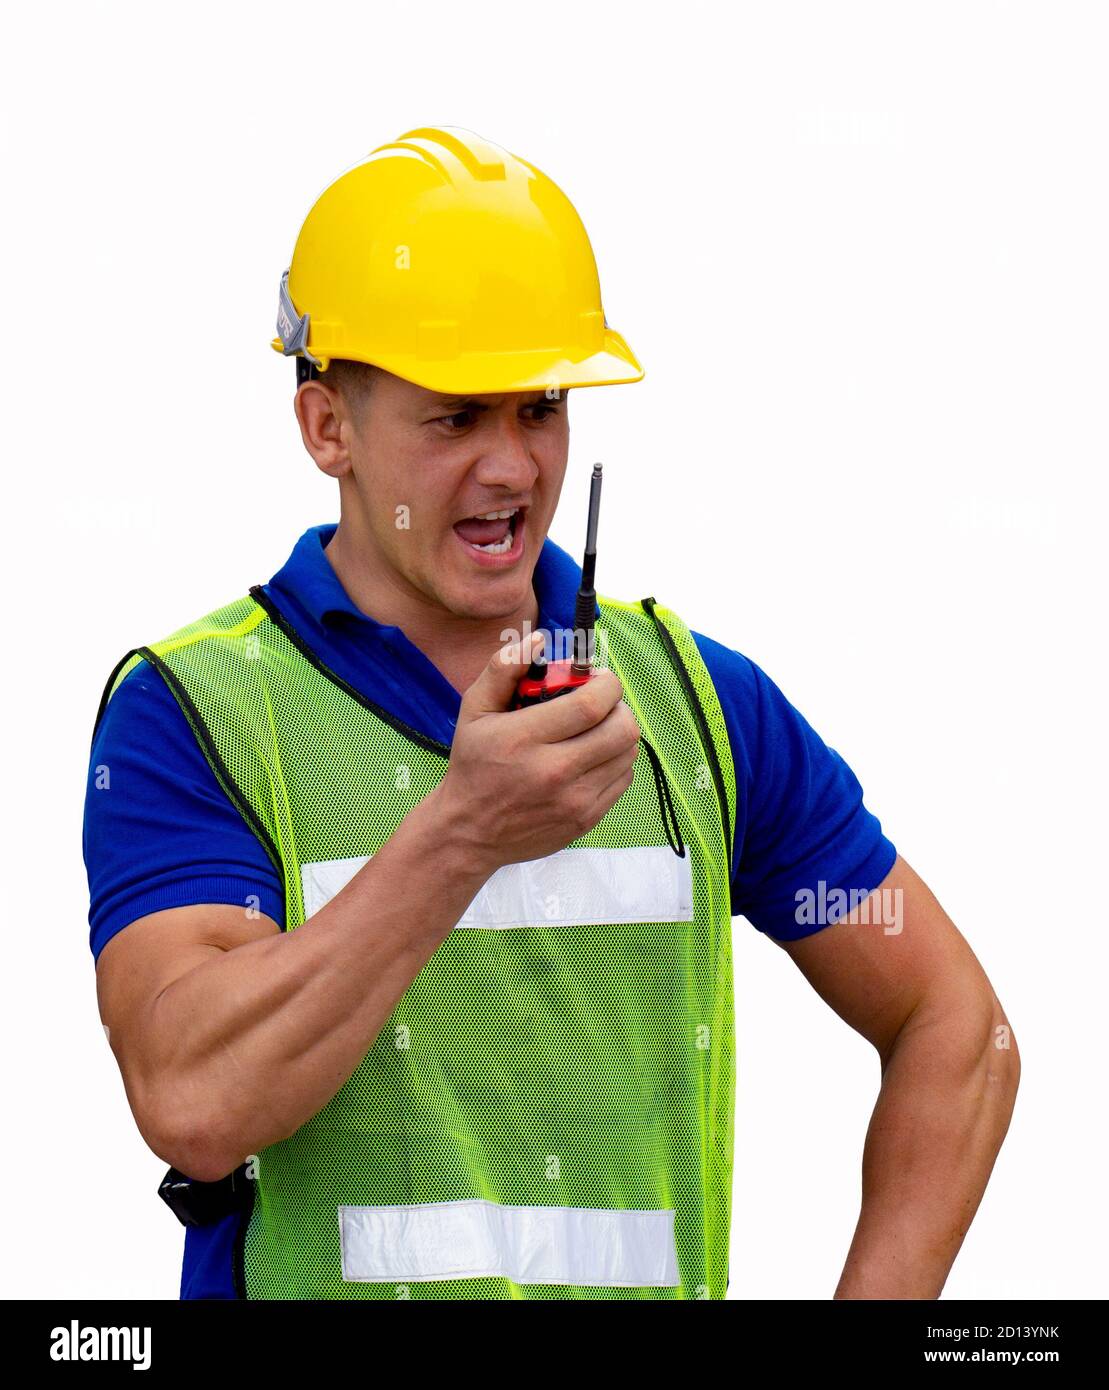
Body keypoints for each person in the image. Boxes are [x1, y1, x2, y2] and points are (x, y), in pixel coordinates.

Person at [84, 125, 1019, 1301]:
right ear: (328, 428)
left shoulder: (698, 706)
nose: (511, 467)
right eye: (454, 416)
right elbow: (192, 1103)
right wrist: (463, 830)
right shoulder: (194, 714)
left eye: (537, 408)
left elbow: (956, 1026)